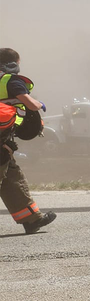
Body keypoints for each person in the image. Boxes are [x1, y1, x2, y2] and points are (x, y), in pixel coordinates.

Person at [0, 48, 57, 234]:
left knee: (12, 177)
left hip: (5, 140)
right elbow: (30, 104)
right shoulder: (12, 81)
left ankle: (31, 219)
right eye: (17, 62)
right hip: (2, 138)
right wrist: (39, 104)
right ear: (11, 63)